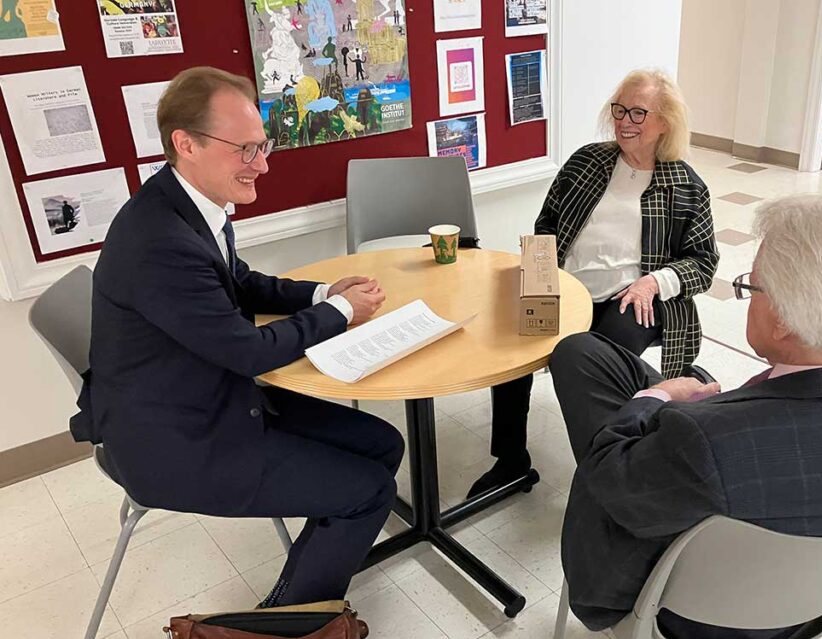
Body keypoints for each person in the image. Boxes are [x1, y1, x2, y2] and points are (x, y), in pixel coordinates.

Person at [550, 194, 822, 639]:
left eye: (752, 287)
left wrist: (658, 397)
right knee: (585, 351)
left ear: (785, 320)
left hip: (698, 615)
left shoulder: (706, 440)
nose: (747, 296)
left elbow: (607, 477)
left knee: (599, 388)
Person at [69, 67, 403, 611]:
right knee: (369, 492)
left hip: (205, 396)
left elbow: (239, 280)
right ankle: (287, 633)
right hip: (175, 440)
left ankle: (312, 575)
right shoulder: (159, 241)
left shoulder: (188, 202)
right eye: (246, 149)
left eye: (263, 145)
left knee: (384, 446)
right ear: (186, 144)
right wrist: (342, 311)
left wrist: (321, 293)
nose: (263, 164)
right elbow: (248, 351)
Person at [468, 69, 720, 497]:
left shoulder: (686, 186)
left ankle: (610, 473)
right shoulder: (588, 161)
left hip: (634, 300)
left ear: (666, 122)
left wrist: (653, 283)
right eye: (619, 109)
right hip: (566, 287)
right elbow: (547, 221)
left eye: (639, 113)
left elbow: (704, 262)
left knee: (592, 372)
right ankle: (511, 461)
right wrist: (540, 263)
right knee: (513, 349)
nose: (625, 121)